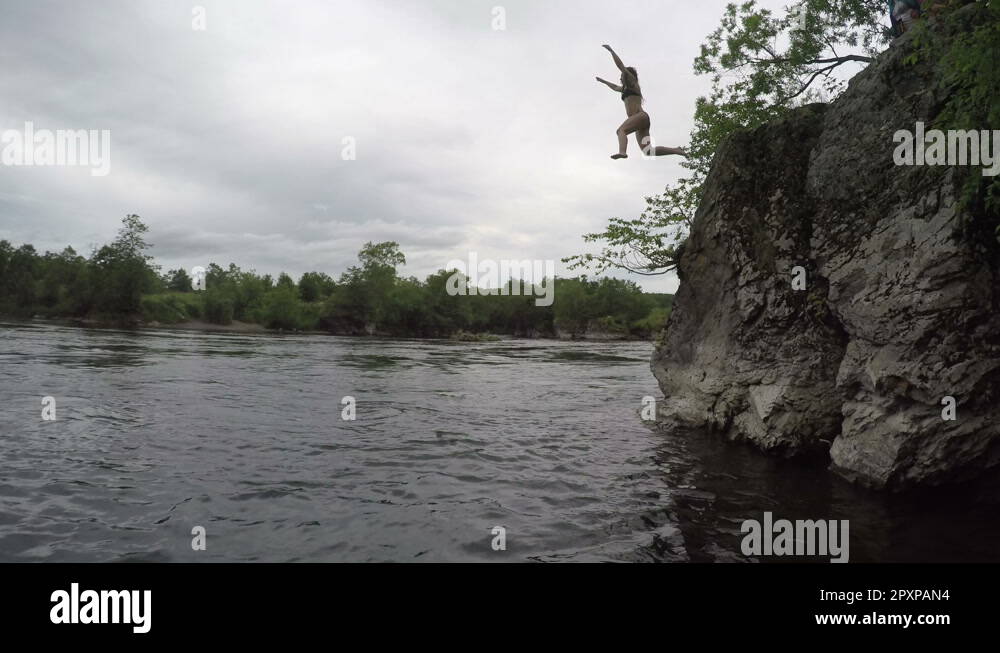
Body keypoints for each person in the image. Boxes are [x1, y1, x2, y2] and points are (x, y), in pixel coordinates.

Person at [596, 44, 687, 160]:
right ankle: (676, 150)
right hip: (640, 123)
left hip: (641, 116)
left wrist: (611, 51)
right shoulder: (623, 89)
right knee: (648, 151)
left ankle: (622, 152)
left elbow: (620, 66)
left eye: (622, 76)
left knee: (621, 131)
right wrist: (602, 81)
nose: (620, 78)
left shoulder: (634, 84)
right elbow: (614, 87)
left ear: (628, 76)